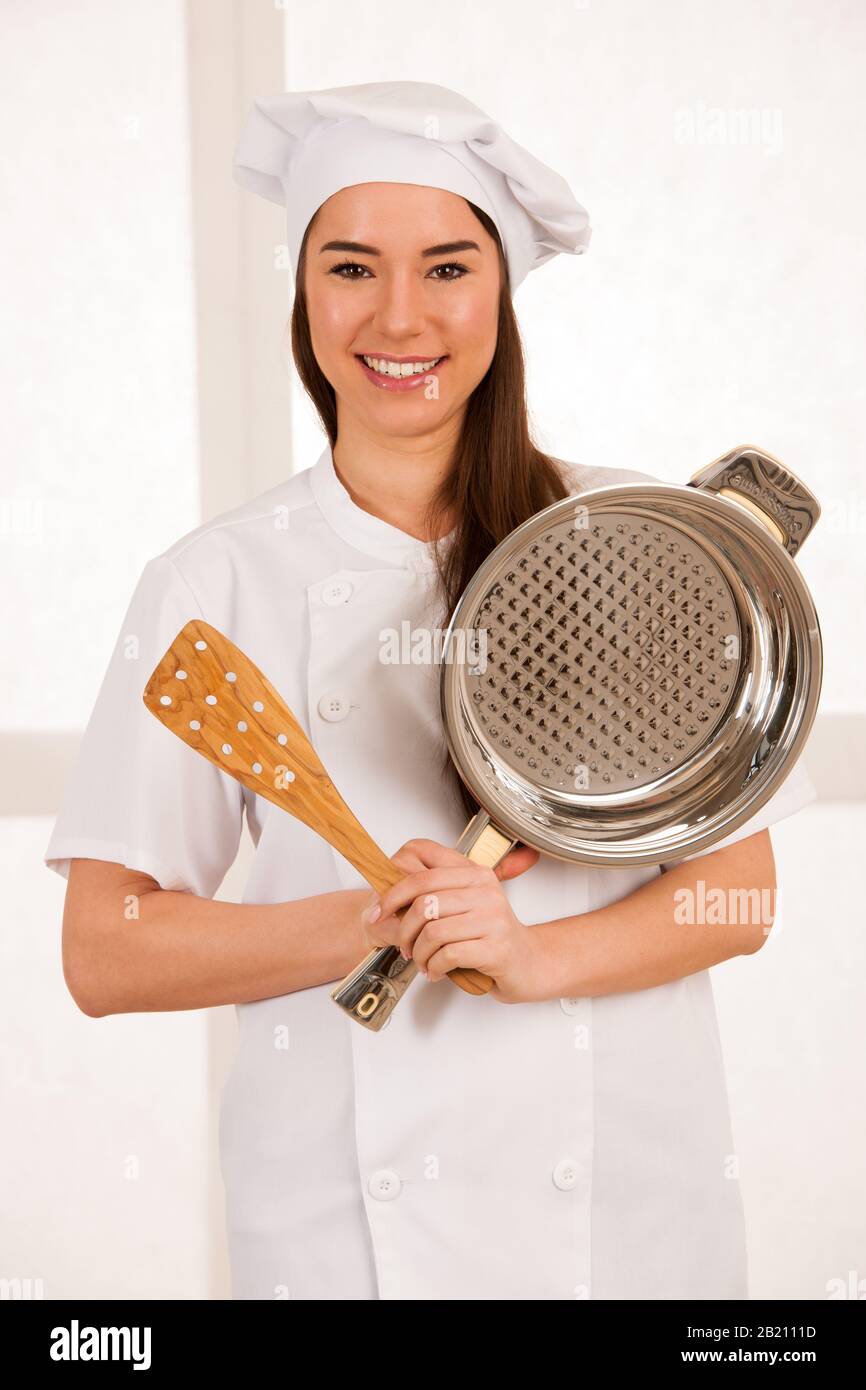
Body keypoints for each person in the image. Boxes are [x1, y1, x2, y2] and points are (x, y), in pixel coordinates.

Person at [45, 80, 817, 1300]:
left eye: (447, 267)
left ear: (500, 297)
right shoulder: (214, 580)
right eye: (350, 267)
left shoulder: (623, 538)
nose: (399, 316)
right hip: (345, 1241)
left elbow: (737, 897)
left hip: (622, 1227)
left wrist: (529, 957)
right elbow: (106, 950)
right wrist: (372, 919)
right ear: (302, 295)